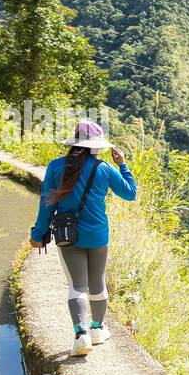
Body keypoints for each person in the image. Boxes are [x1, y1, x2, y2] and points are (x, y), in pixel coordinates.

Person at [30, 119, 138, 356]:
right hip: (98, 235)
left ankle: (81, 335)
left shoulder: (56, 167)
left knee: (77, 285)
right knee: (97, 282)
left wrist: (37, 235)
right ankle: (98, 329)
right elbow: (131, 194)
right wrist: (123, 165)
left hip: (69, 234)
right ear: (95, 146)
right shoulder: (105, 169)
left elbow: (46, 205)